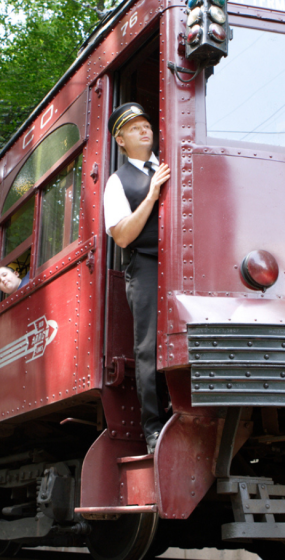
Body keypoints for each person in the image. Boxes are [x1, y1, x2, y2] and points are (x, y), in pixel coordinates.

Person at [103, 102, 171, 453]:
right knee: (148, 347)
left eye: (147, 124)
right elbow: (123, 236)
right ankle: (153, 429)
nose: (145, 130)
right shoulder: (117, 181)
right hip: (144, 265)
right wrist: (152, 194)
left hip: (180, 263)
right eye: (134, 128)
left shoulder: (175, 159)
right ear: (120, 140)